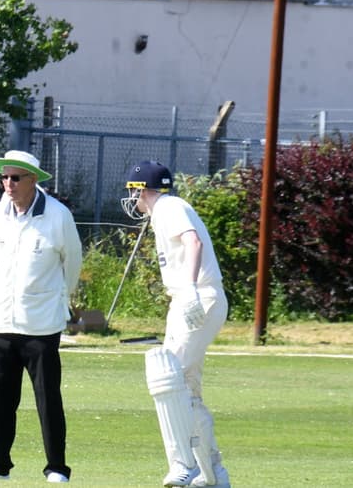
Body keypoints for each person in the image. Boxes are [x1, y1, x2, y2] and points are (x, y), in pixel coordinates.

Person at [0, 150, 83, 483]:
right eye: (4, 177)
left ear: (33, 180)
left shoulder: (58, 215)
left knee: (48, 398)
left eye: (16, 178)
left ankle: (57, 468)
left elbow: (72, 260)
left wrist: (65, 296)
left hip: (42, 322)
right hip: (2, 319)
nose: (8, 184)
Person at [122, 161, 230, 488]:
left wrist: (192, 290)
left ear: (142, 189)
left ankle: (183, 464)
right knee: (187, 387)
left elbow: (193, 242)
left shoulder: (169, 206)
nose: (131, 198)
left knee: (167, 378)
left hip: (197, 296)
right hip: (191, 297)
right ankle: (212, 474)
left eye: (133, 191)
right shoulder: (165, 210)